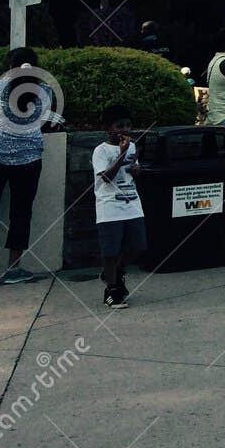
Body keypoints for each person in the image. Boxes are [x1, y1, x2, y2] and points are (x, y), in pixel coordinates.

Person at [0, 47, 62, 285]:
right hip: (30, 159)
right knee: (21, 212)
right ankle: (14, 269)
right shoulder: (45, 89)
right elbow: (45, 117)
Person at [92, 104, 145, 309]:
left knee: (137, 245)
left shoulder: (132, 146)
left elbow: (134, 171)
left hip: (132, 203)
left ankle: (115, 274)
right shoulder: (101, 151)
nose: (125, 130)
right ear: (108, 128)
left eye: (128, 126)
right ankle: (111, 290)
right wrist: (121, 155)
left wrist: (136, 169)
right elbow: (106, 177)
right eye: (119, 125)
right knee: (111, 250)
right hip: (110, 205)